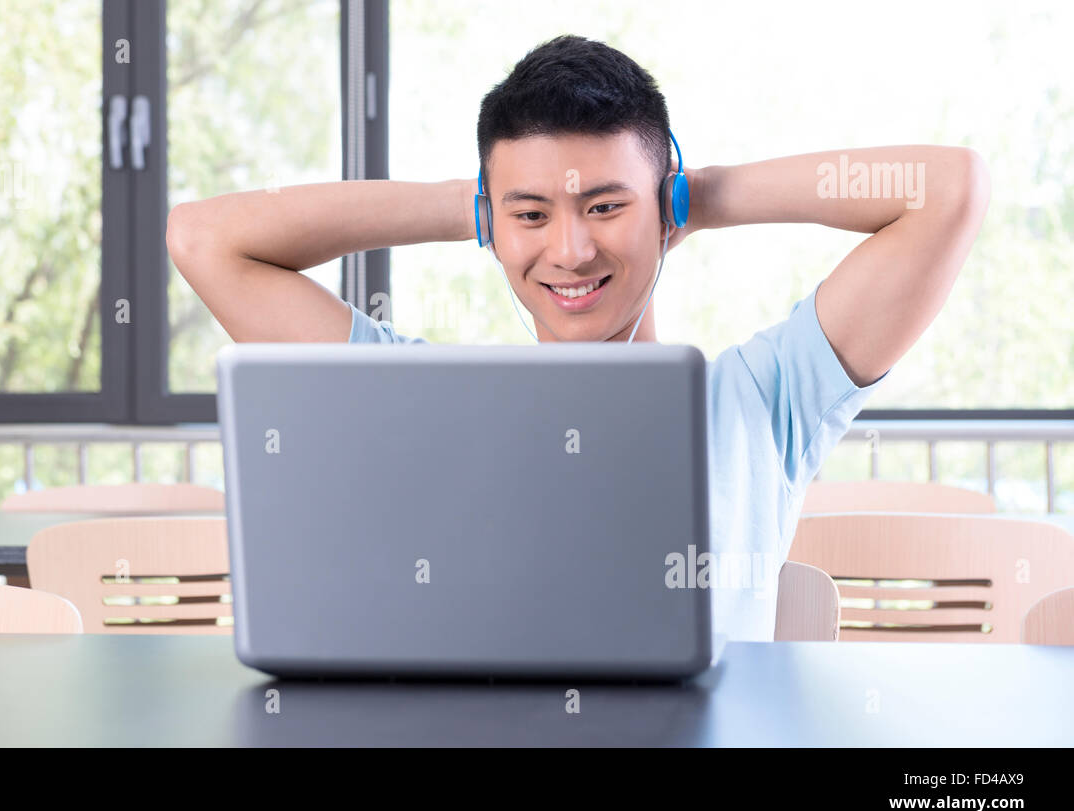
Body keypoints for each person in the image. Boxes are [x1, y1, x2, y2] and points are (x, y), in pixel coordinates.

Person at [167, 34, 990, 641]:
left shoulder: (765, 397)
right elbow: (205, 240)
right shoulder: (411, 396)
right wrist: (471, 207)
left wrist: (692, 197)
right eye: (531, 215)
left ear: (663, 203)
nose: (570, 250)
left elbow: (947, 191)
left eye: (605, 206)